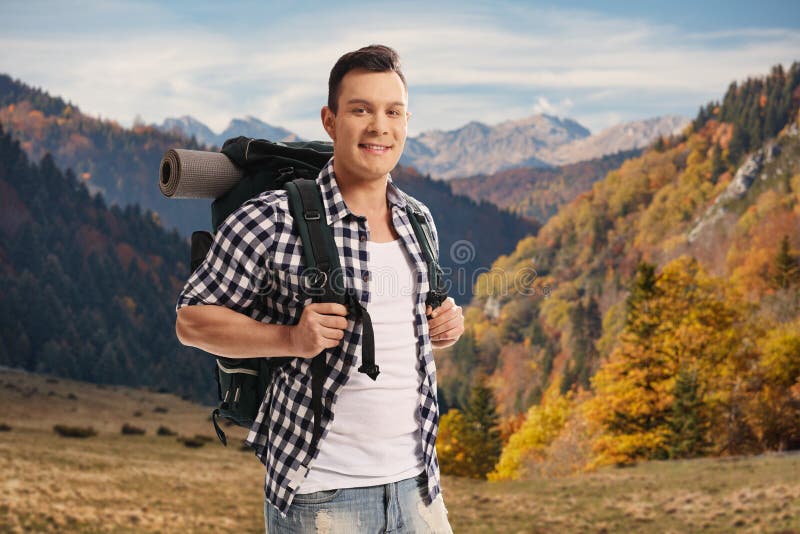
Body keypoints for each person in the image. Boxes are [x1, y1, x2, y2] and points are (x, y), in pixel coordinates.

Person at [175, 44, 463, 533]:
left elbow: (407, 323)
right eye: (361, 110)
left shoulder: (419, 220)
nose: (379, 126)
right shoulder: (272, 217)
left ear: (407, 121)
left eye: (393, 111)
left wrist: (445, 323)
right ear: (331, 121)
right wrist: (289, 339)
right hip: (322, 495)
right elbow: (191, 319)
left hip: (419, 487)